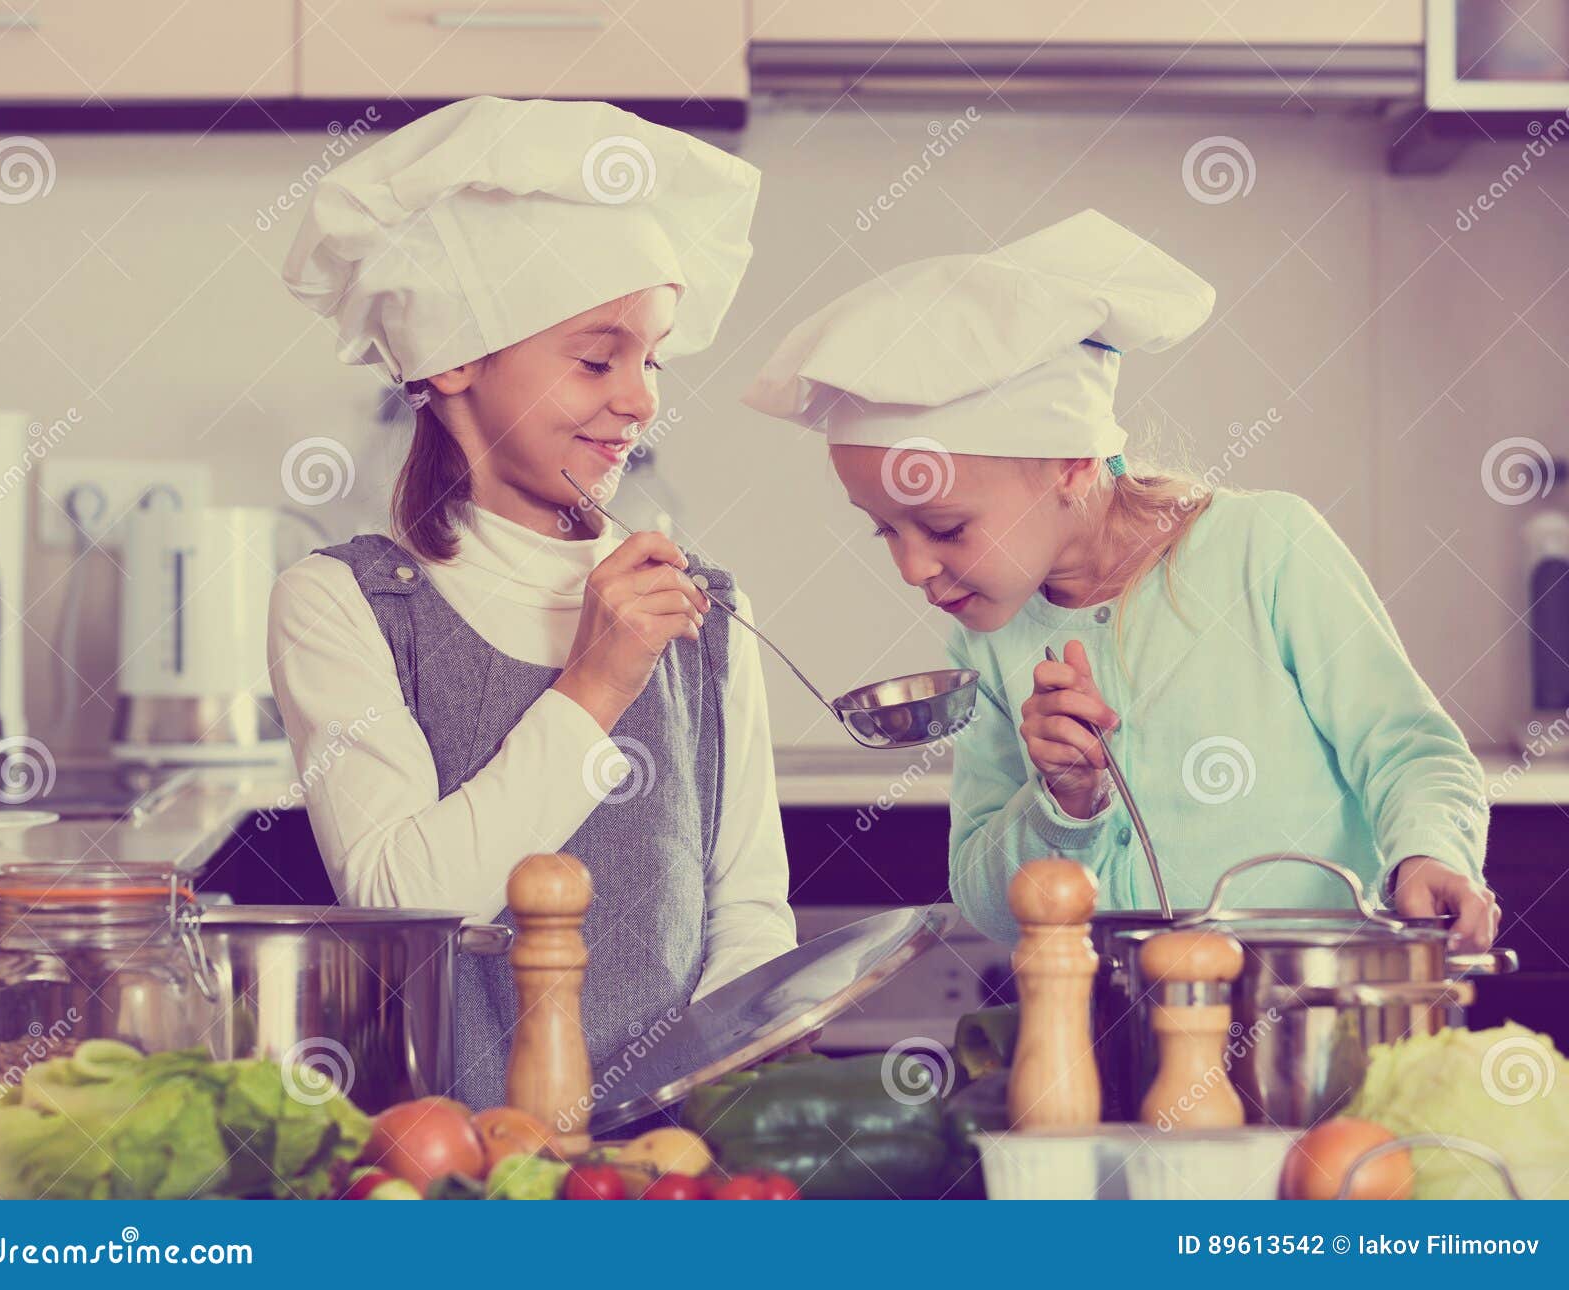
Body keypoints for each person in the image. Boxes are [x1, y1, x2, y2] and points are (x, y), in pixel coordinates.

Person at [743, 208, 1499, 952]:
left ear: (1072, 462)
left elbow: (1408, 748)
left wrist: (1429, 852)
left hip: (1306, 1025)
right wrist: (1063, 805)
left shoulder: (1263, 548)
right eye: (885, 530)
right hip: (1114, 1041)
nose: (911, 569)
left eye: (944, 529)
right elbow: (988, 906)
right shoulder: (990, 646)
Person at [268, 97, 797, 1109]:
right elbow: (401, 906)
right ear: (454, 359)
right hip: (452, 1168)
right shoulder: (341, 602)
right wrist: (595, 681)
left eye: (653, 359)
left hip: (672, 1165)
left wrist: (693, 1121)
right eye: (598, 358)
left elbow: (748, 913)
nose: (641, 398)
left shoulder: (701, 606)